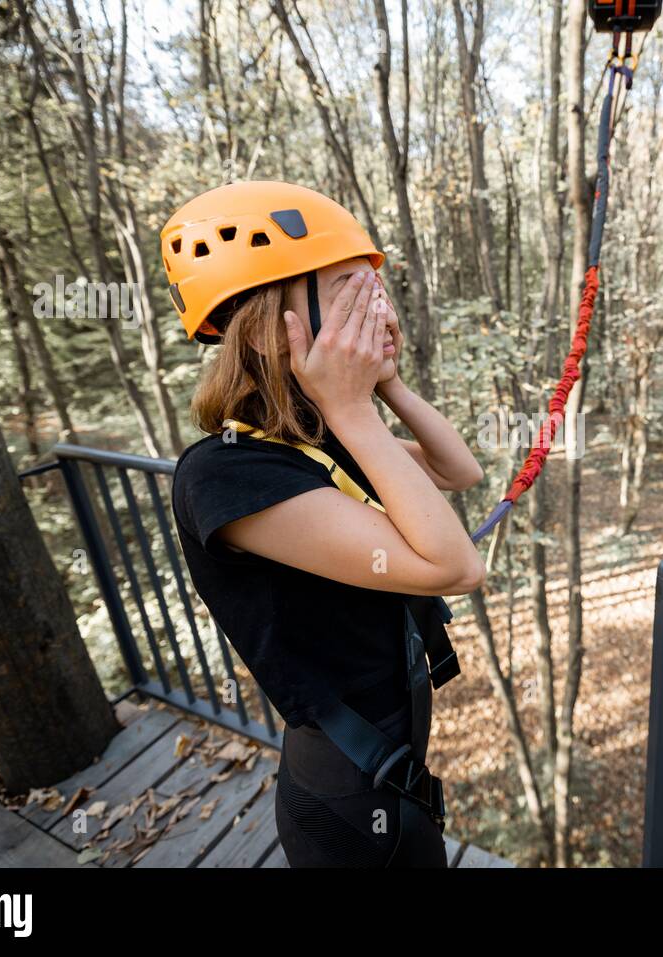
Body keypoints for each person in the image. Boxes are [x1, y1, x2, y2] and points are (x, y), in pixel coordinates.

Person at [162, 181, 486, 867]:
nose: (375, 306)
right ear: (274, 324)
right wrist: (352, 409)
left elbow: (457, 470)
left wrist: (386, 383)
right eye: (349, 291)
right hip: (349, 800)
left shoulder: (312, 438)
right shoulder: (225, 474)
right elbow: (456, 567)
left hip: (389, 776)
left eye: (373, 289)